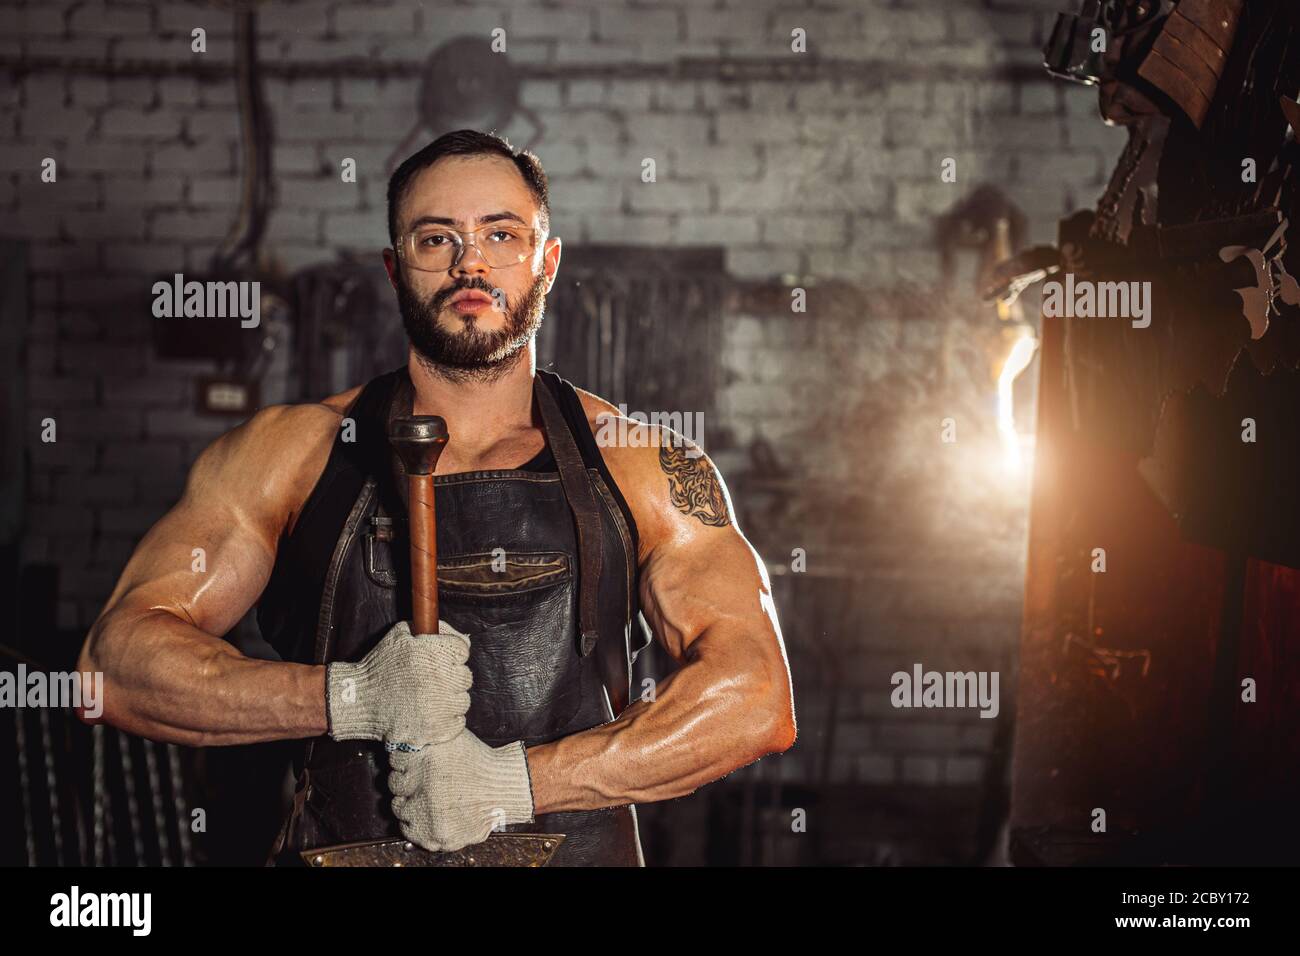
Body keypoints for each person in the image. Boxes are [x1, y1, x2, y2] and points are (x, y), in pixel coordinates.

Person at [77, 129, 796, 866]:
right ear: (395, 269)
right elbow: (116, 664)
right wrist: (348, 697)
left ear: (547, 263)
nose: (470, 262)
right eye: (435, 239)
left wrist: (513, 783)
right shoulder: (293, 454)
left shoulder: (644, 463)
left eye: (501, 234)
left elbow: (755, 697)